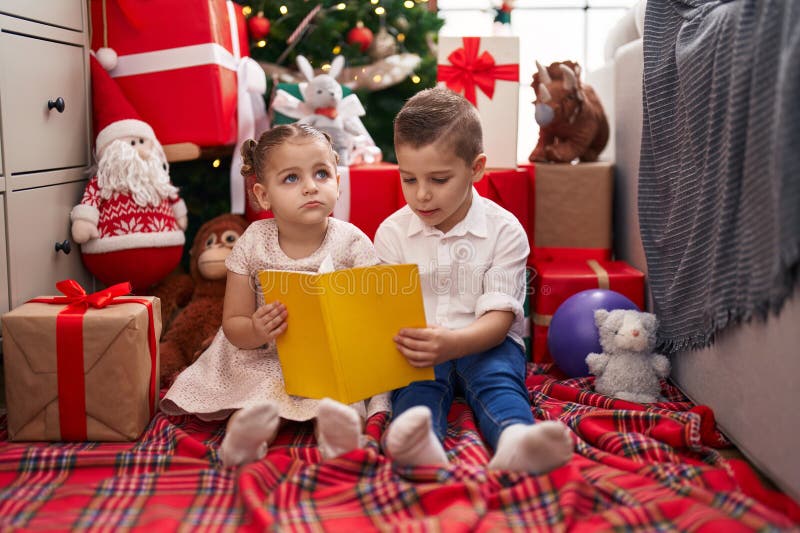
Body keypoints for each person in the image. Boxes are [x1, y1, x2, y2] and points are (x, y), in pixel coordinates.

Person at [161, 124, 389, 467]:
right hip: (263, 355)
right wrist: (256, 328)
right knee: (262, 394)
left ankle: (340, 434)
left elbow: (374, 311)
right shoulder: (253, 241)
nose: (311, 186)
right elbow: (234, 324)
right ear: (263, 196)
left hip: (329, 357)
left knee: (345, 395)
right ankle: (245, 437)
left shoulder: (352, 241)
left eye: (322, 173)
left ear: (338, 184)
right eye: (291, 178)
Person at [374, 87, 574, 473]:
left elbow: (499, 322)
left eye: (439, 179)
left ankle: (517, 438)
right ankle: (418, 443)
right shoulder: (392, 232)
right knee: (416, 390)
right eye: (408, 179)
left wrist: (454, 343)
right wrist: (418, 344)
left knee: (498, 381)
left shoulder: (504, 230)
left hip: (486, 340)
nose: (422, 195)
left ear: (477, 168)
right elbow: (387, 313)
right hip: (423, 347)